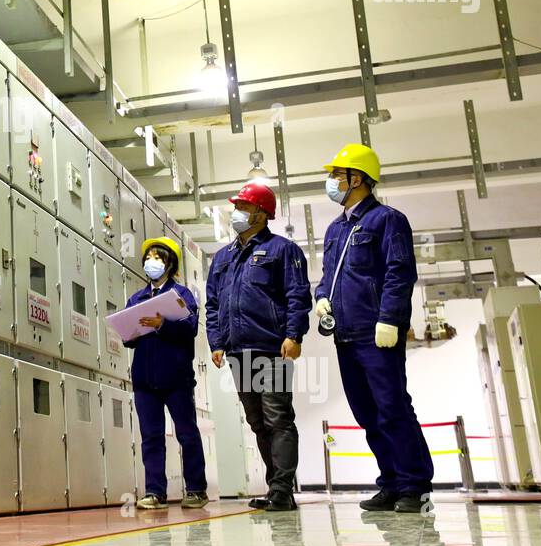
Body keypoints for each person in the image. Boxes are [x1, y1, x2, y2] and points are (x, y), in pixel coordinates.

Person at [314, 143, 434, 513]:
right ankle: (392, 483)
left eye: (338, 174)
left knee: (392, 407)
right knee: (367, 414)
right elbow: (329, 277)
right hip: (345, 335)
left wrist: (390, 319)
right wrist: (321, 297)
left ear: (359, 179)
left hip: (376, 333)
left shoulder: (388, 220)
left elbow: (400, 272)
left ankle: (415, 485)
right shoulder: (336, 229)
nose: (332, 181)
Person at [205, 182, 311, 512]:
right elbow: (212, 304)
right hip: (238, 352)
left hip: (272, 349)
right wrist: (217, 341)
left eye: (243, 207)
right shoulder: (223, 257)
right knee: (257, 422)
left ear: (262, 215)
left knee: (278, 418)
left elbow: (298, 296)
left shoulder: (283, 250)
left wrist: (294, 335)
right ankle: (276, 487)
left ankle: (281, 490)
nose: (235, 213)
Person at [123, 236, 209, 510]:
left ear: (170, 264)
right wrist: (130, 330)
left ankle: (196, 489)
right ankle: (155, 492)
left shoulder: (181, 295)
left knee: (187, 434)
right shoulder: (136, 298)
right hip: (144, 380)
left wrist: (163, 324)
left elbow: (191, 328)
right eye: (149, 258)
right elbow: (128, 338)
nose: (152, 263)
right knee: (151, 437)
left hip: (176, 379)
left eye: (158, 258)